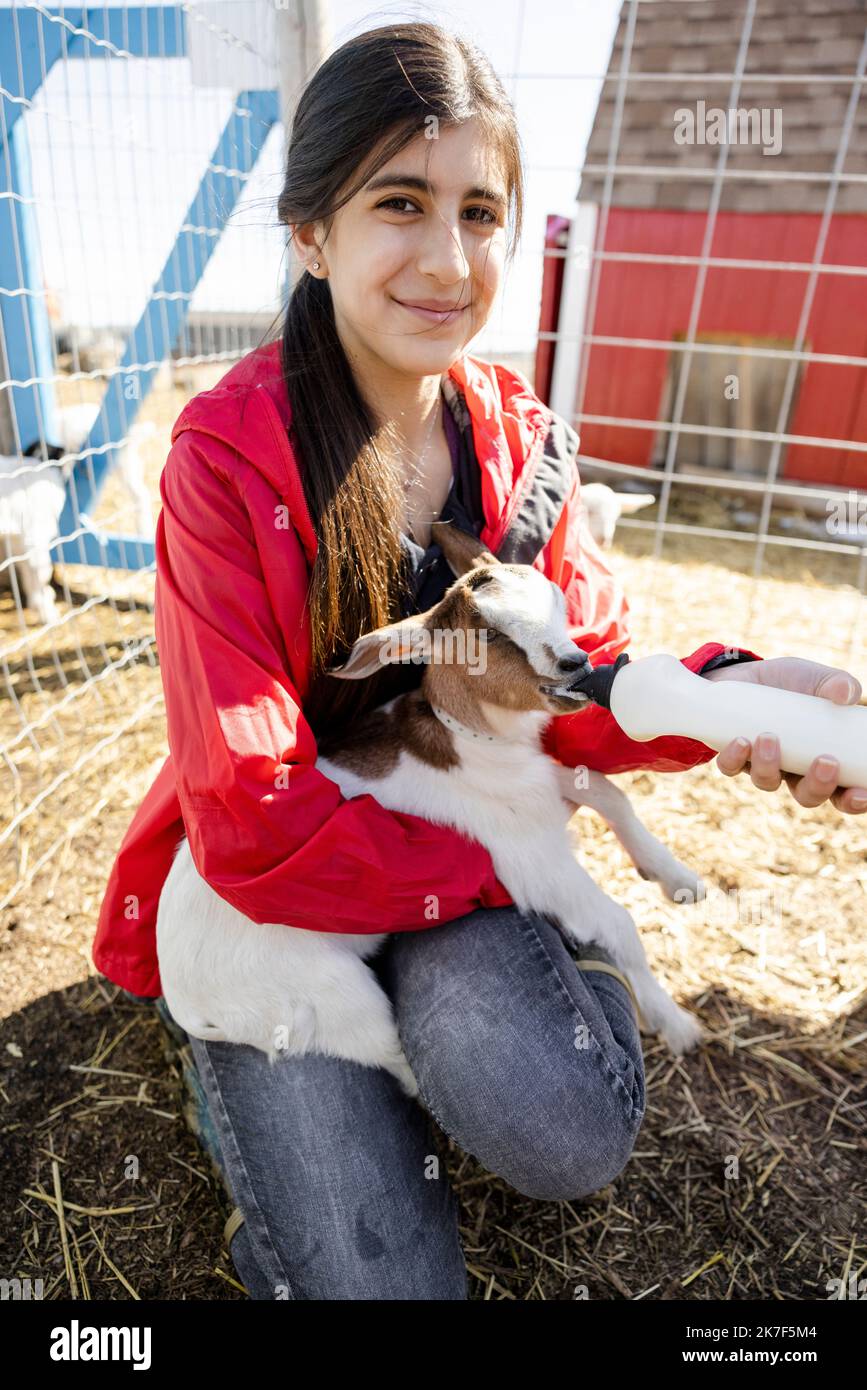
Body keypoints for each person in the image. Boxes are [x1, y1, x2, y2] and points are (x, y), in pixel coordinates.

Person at [94, 22, 866, 1301]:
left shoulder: (526, 450)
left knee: (560, 1126)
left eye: (482, 210)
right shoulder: (227, 458)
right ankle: (267, 1088)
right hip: (289, 891)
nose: (448, 259)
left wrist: (726, 692)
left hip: (447, 846)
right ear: (310, 234)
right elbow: (247, 810)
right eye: (401, 203)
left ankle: (478, 1018)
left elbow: (592, 680)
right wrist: (504, 867)